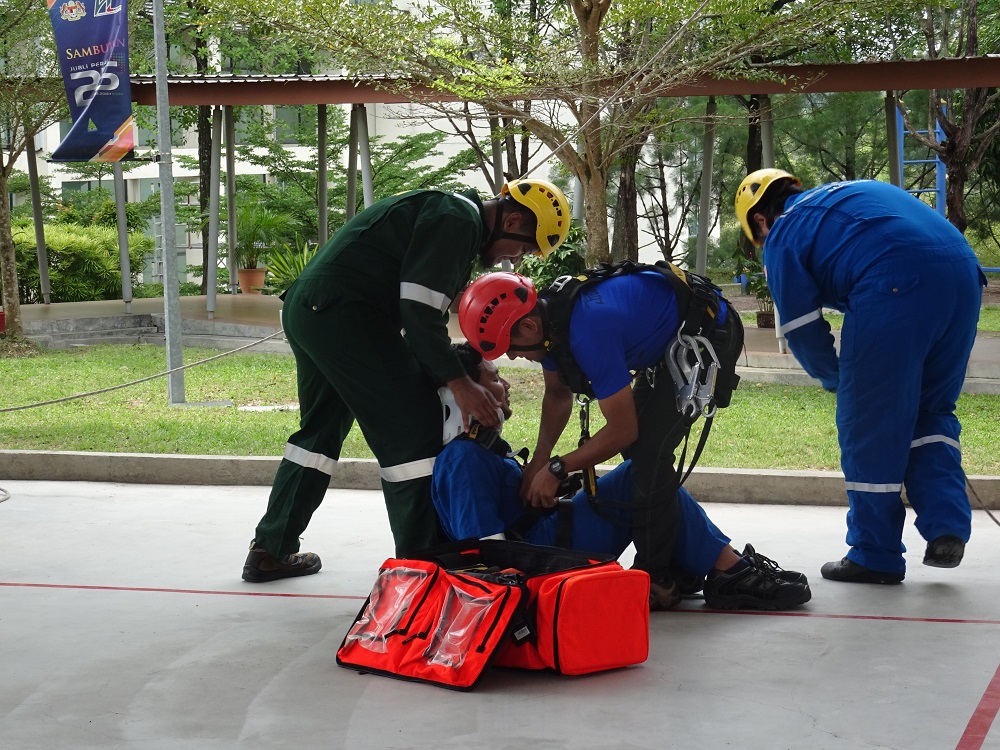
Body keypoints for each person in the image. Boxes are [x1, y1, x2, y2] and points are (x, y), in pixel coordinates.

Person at [242, 179, 572, 583]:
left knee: (319, 433)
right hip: (348, 316)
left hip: (311, 309)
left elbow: (420, 322)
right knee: (413, 434)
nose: (515, 259)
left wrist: (468, 370)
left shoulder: (447, 212)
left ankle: (271, 549)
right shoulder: (458, 220)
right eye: (521, 246)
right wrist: (462, 385)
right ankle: (423, 570)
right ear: (514, 218)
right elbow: (419, 316)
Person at [734, 169, 987, 584]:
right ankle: (946, 526)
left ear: (760, 220)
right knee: (932, 411)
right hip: (964, 276)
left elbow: (800, 327)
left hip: (894, 282)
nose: (763, 246)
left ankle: (875, 554)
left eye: (756, 239)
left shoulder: (784, 231)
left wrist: (838, 380)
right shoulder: (853, 192)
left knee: (869, 424)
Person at [432, 343, 812, 610]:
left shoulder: (475, 454)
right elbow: (482, 556)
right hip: (541, 558)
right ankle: (731, 572)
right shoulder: (463, 458)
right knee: (638, 475)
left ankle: (701, 565)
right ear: (469, 395)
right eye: (495, 377)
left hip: (546, 539)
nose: (507, 385)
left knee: (643, 474)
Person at [457, 264, 748, 609]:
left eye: (511, 346)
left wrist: (557, 469)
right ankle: (678, 561)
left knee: (648, 456)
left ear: (529, 326)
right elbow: (557, 394)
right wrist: (538, 459)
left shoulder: (587, 331)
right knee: (642, 463)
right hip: (666, 335)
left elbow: (623, 431)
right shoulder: (553, 322)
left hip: (707, 331)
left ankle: (658, 576)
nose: (512, 356)